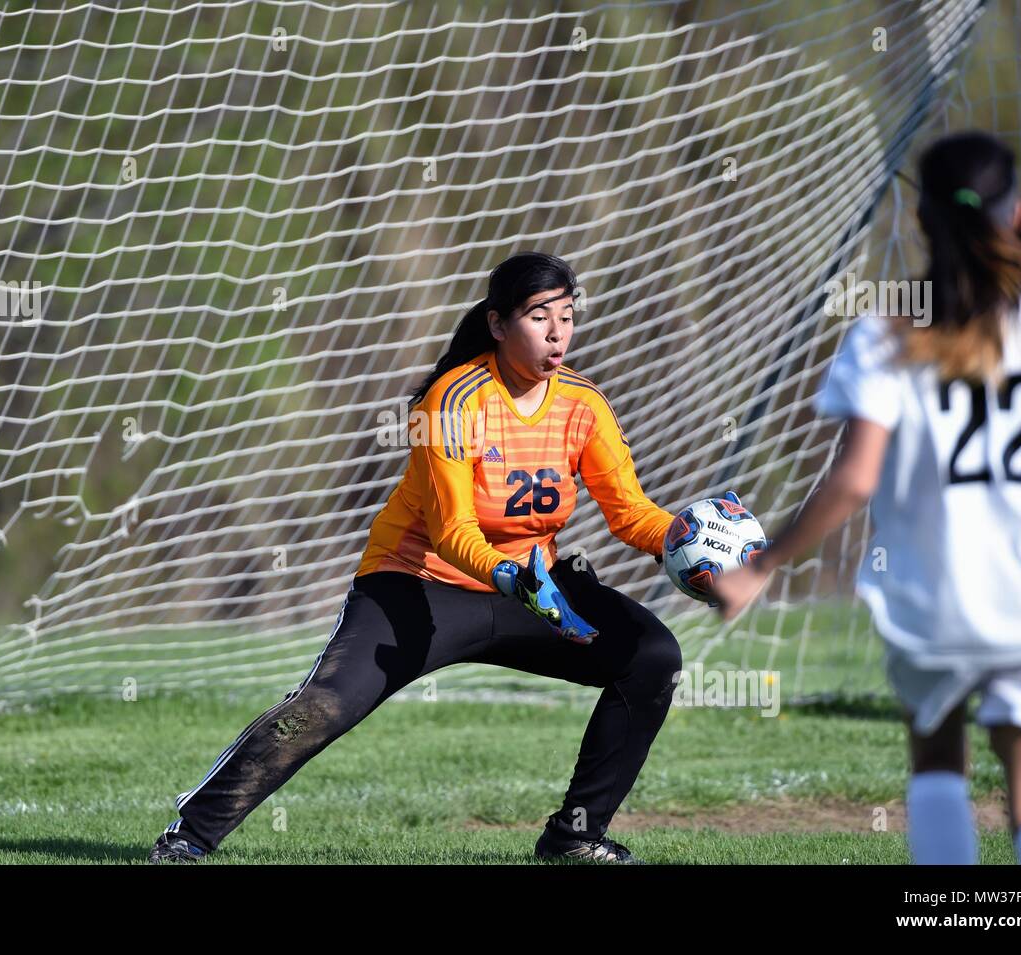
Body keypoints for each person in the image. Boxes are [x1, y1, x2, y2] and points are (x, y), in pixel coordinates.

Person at [149, 252, 685, 864]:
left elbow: (630, 512)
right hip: (420, 585)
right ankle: (190, 836)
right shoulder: (452, 401)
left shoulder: (584, 405)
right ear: (497, 324)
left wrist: (687, 540)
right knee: (325, 706)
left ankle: (575, 838)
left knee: (652, 659)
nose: (558, 331)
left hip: (535, 589)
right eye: (540, 316)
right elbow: (454, 530)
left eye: (567, 316)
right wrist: (511, 576)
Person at [713, 131, 1021, 865]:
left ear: (923, 222)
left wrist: (764, 562)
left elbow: (853, 479)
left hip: (930, 599)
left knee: (938, 764)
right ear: (1015, 216)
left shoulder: (885, 336)